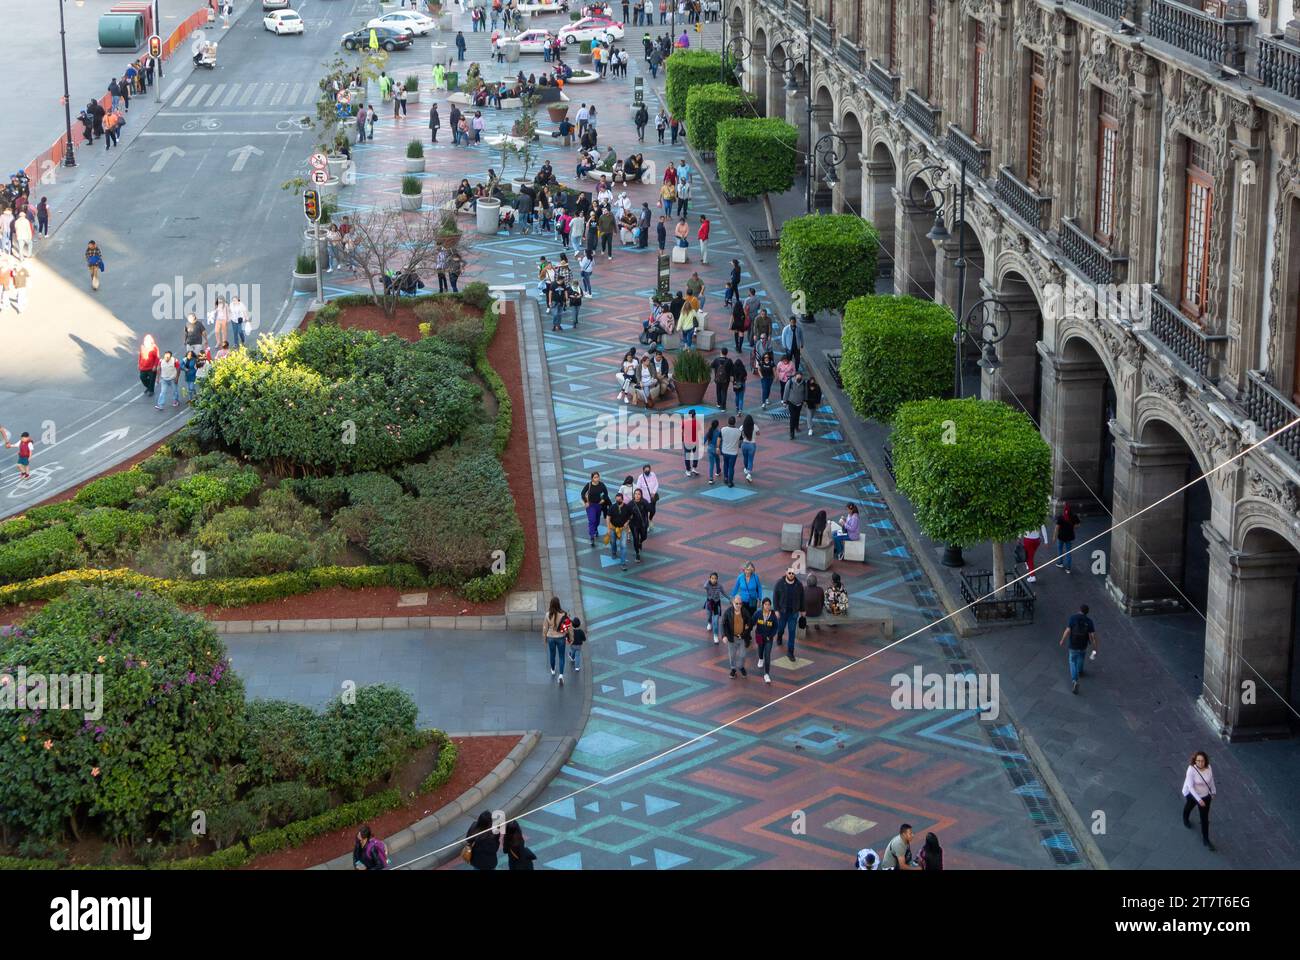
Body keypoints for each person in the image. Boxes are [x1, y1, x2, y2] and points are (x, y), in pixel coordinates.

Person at [1181, 750, 1216, 851]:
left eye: (1202, 761)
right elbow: (1190, 787)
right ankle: (1185, 818)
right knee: (1189, 807)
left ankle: (1206, 839)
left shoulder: (1209, 767)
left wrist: (1213, 791)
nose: (1200, 763)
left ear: (1206, 761)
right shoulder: (1191, 770)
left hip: (1206, 795)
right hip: (1193, 795)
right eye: (1198, 761)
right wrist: (1199, 800)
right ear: (1195, 761)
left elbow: (1211, 780)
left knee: (1204, 818)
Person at [1060, 602, 1098, 694]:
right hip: (1083, 645)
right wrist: (1095, 647)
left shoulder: (1073, 618)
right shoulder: (1089, 621)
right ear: (1087, 612)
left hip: (1073, 644)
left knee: (1072, 661)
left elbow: (1068, 630)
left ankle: (1075, 681)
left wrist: (1062, 640)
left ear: (1079, 610)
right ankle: (1080, 671)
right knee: (1081, 657)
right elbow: (1093, 636)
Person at [772, 567, 805, 662]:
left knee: (792, 632)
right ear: (786, 573)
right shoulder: (779, 583)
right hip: (782, 612)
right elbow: (775, 597)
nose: (791, 575)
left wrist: (802, 610)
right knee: (781, 628)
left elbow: (802, 597)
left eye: (793, 573)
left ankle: (790, 652)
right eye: (789, 573)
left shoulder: (799, 585)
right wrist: (776, 610)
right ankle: (779, 636)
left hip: (793, 613)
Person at [721, 594, 753, 679]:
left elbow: (750, 623)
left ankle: (741, 667)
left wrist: (747, 629)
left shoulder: (745, 612)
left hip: (742, 637)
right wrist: (724, 635)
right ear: (733, 603)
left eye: (740, 603)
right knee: (732, 655)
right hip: (732, 637)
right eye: (736, 603)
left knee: (742, 655)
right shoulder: (728, 612)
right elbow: (723, 624)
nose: (738, 605)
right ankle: (733, 669)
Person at [543, 596, 573, 685]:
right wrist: (571, 638)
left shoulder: (548, 615)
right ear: (559, 604)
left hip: (551, 637)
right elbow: (569, 627)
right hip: (561, 638)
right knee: (561, 656)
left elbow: (545, 628)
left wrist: (544, 638)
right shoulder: (564, 614)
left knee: (552, 654)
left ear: (551, 604)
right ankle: (561, 675)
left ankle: (552, 670)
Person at [752, 598, 779, 684]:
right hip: (759, 636)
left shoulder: (773, 615)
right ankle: (760, 658)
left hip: (768, 638)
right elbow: (752, 622)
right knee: (760, 650)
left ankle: (766, 674)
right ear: (763, 605)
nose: (767, 606)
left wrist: (771, 635)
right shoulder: (758, 613)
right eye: (765, 604)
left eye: (768, 604)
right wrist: (747, 628)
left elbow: (775, 627)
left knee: (767, 655)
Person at [580, 471, 609, 547]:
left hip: (598, 505)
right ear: (592, 478)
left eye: (598, 477)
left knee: (597, 520)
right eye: (595, 477)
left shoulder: (602, 485)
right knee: (592, 520)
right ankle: (592, 536)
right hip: (590, 505)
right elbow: (582, 493)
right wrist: (586, 502)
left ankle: (595, 529)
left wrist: (603, 500)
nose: (597, 478)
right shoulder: (589, 485)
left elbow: (606, 493)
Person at [606, 490, 632, 571]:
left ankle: (623, 563)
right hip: (613, 528)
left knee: (623, 546)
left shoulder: (627, 507)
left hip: (623, 529)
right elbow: (608, 517)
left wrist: (627, 523)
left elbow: (630, 516)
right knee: (613, 542)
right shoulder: (612, 507)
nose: (618, 501)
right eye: (616, 500)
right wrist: (608, 528)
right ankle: (614, 552)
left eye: (619, 500)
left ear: (622, 499)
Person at [634, 463, 660, 529]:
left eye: (648, 470)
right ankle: (647, 525)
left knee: (653, 511)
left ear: (650, 470)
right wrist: (639, 496)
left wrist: (653, 492)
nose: (647, 472)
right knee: (645, 512)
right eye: (646, 471)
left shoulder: (653, 474)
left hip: (652, 498)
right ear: (643, 471)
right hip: (644, 499)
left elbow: (656, 484)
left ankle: (650, 519)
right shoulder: (640, 477)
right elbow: (638, 488)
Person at [719, 415, 742, 487]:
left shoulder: (723, 429)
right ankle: (730, 481)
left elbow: (719, 439)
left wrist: (717, 447)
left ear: (728, 422)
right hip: (733, 452)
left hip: (725, 450)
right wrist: (739, 446)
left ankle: (725, 478)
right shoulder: (738, 431)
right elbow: (740, 442)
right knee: (731, 467)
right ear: (735, 422)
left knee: (725, 464)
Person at [1054, 502, 1078, 572]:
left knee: (1060, 550)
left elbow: (1057, 528)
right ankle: (1068, 568)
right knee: (1068, 552)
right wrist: (1073, 526)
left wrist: (1054, 537)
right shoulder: (1074, 517)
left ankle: (1060, 563)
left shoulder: (1061, 517)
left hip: (1061, 537)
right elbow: (1078, 524)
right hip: (1069, 537)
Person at [703, 571, 725, 644]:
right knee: (709, 616)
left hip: (717, 604)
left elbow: (724, 593)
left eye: (715, 578)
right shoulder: (707, 585)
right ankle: (709, 622)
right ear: (710, 578)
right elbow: (704, 586)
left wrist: (730, 599)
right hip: (709, 603)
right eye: (712, 578)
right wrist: (708, 581)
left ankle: (715, 636)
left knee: (715, 622)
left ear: (717, 579)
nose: (714, 580)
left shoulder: (719, 586)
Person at [785, 371, 807, 440]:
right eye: (798, 377)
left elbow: (805, 392)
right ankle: (792, 433)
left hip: (799, 403)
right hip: (791, 402)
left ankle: (796, 426)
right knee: (792, 417)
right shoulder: (790, 382)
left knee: (797, 415)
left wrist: (805, 401)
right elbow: (786, 392)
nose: (799, 379)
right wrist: (785, 401)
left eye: (800, 378)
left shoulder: (804, 383)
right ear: (795, 377)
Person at [739, 413, 760, 483]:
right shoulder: (754, 426)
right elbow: (758, 433)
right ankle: (748, 474)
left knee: (745, 458)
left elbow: (739, 433)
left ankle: (746, 468)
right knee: (750, 459)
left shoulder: (742, 427)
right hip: (752, 445)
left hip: (744, 444)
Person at [137, 334, 160, 398]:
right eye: (145, 341)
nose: (145, 342)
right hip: (143, 367)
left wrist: (155, 366)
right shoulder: (142, 347)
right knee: (142, 378)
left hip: (151, 368)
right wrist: (138, 363)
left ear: (150, 341)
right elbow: (140, 356)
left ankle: (151, 391)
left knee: (152, 380)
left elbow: (157, 358)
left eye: (147, 341)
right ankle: (148, 387)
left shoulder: (154, 348)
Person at [703, 417, 722, 485]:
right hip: (716, 449)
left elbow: (703, 440)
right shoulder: (718, 432)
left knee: (711, 464)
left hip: (710, 449)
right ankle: (718, 471)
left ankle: (711, 478)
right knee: (717, 460)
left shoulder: (709, 432)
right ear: (717, 425)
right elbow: (720, 441)